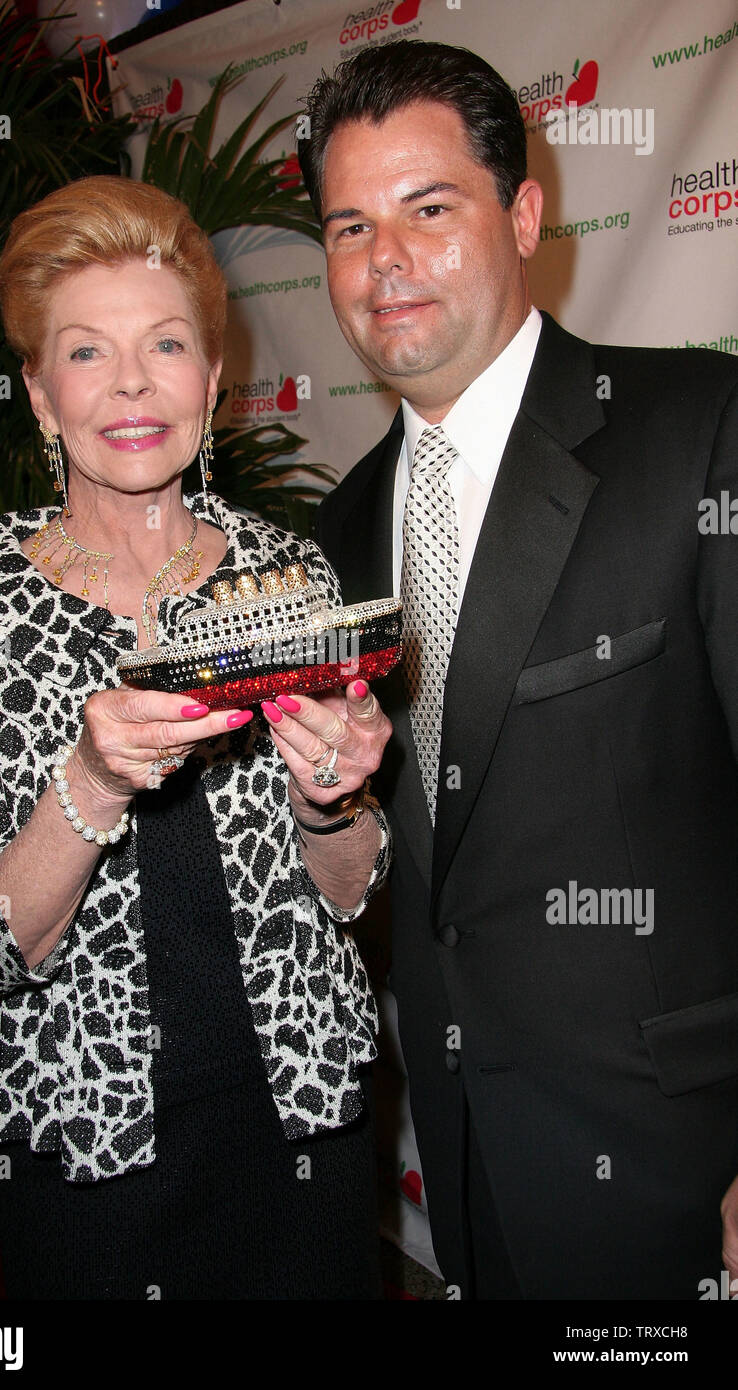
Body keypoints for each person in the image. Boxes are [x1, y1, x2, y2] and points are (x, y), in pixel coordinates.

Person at [0, 175, 395, 1300]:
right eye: (84, 352)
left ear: (211, 380)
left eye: (165, 344)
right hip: (93, 1150)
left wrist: (333, 796)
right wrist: (89, 777)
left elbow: (355, 886)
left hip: (302, 1117)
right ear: (35, 391)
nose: (129, 381)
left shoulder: (289, 575)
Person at [299, 41, 738, 1300]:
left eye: (427, 209)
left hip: (677, 1168)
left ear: (525, 214)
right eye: (347, 224)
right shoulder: (336, 536)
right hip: (466, 1167)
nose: (384, 260)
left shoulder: (696, 431)